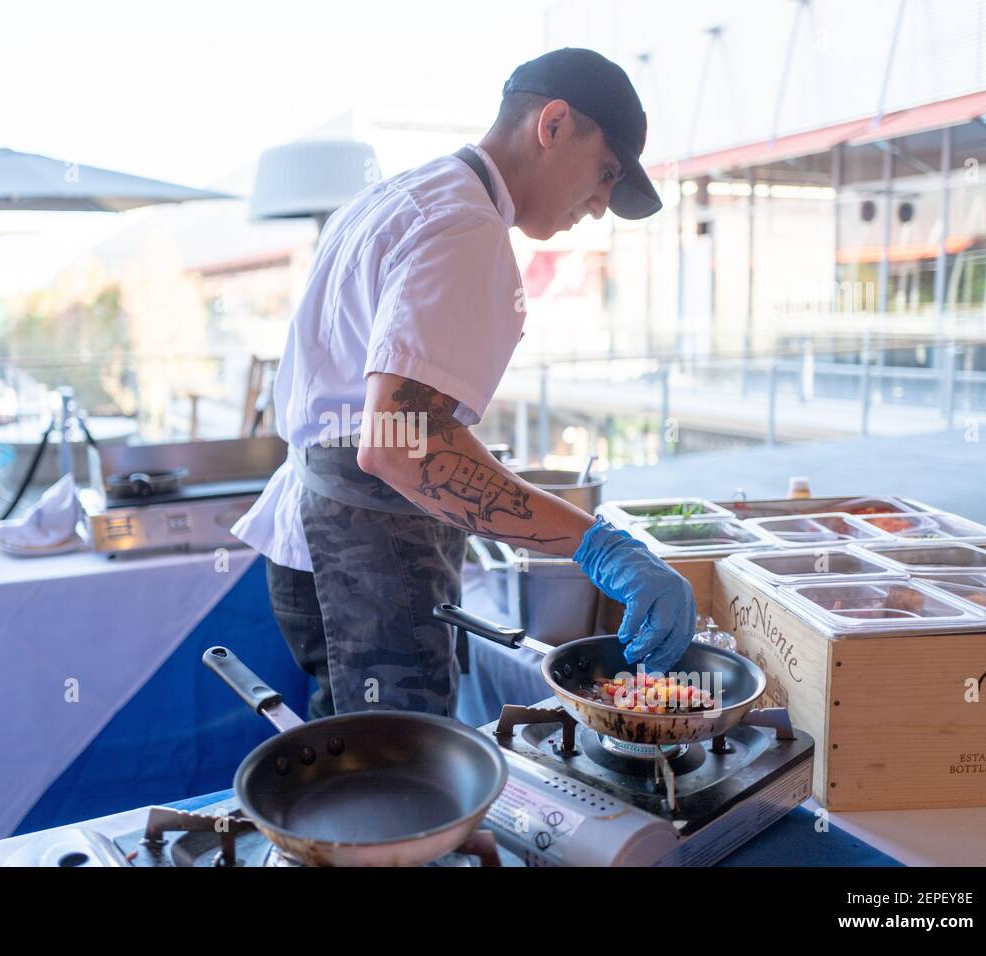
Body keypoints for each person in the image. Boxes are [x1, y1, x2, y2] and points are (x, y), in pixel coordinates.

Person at [232, 47, 696, 718]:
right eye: (604, 174)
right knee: (398, 789)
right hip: (365, 556)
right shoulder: (465, 228)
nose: (599, 206)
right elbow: (401, 447)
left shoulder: (398, 196)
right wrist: (597, 546)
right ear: (555, 124)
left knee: (360, 772)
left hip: (322, 543)